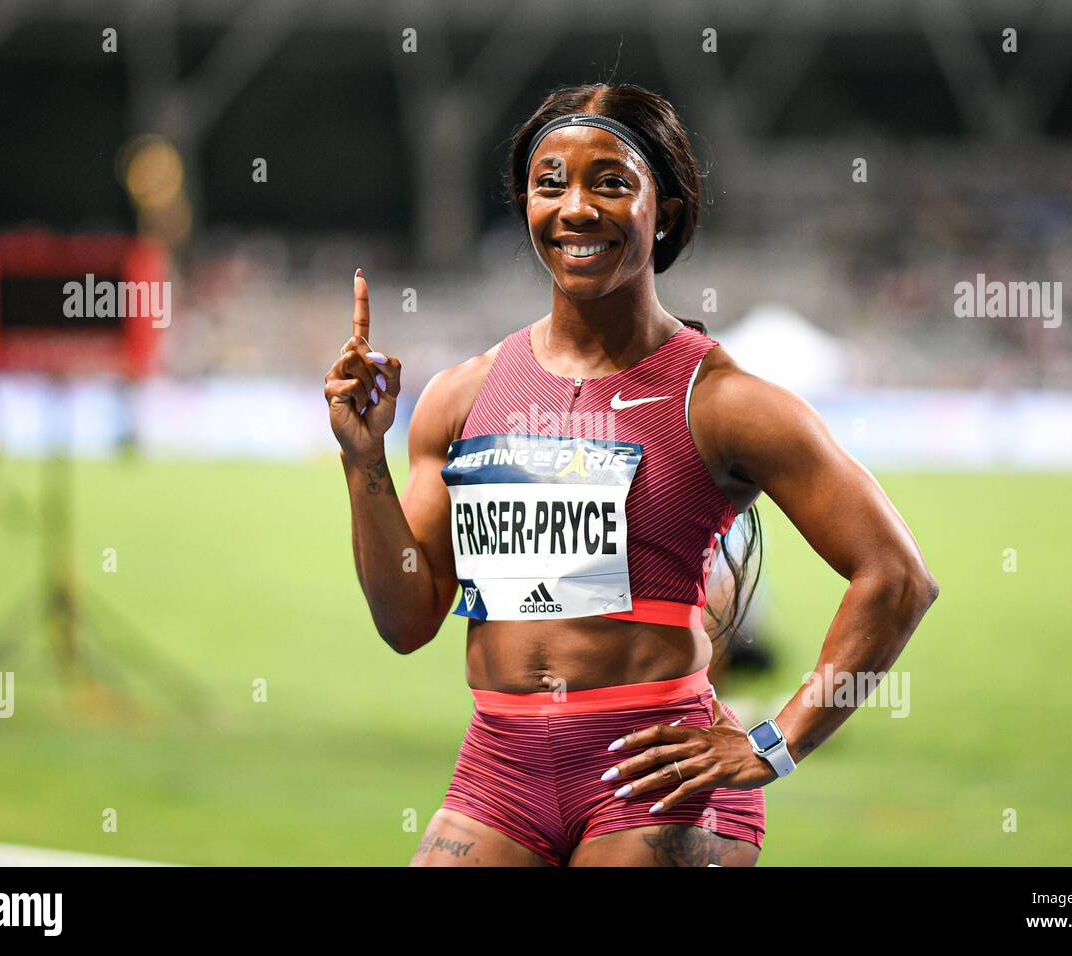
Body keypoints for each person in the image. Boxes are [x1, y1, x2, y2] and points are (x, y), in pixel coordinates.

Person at [324, 83, 939, 867]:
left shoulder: (722, 402)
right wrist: (362, 458)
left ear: (668, 211)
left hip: (660, 773)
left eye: (610, 182)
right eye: (550, 184)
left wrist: (775, 744)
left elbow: (897, 576)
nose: (575, 208)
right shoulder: (462, 396)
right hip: (497, 771)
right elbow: (405, 621)